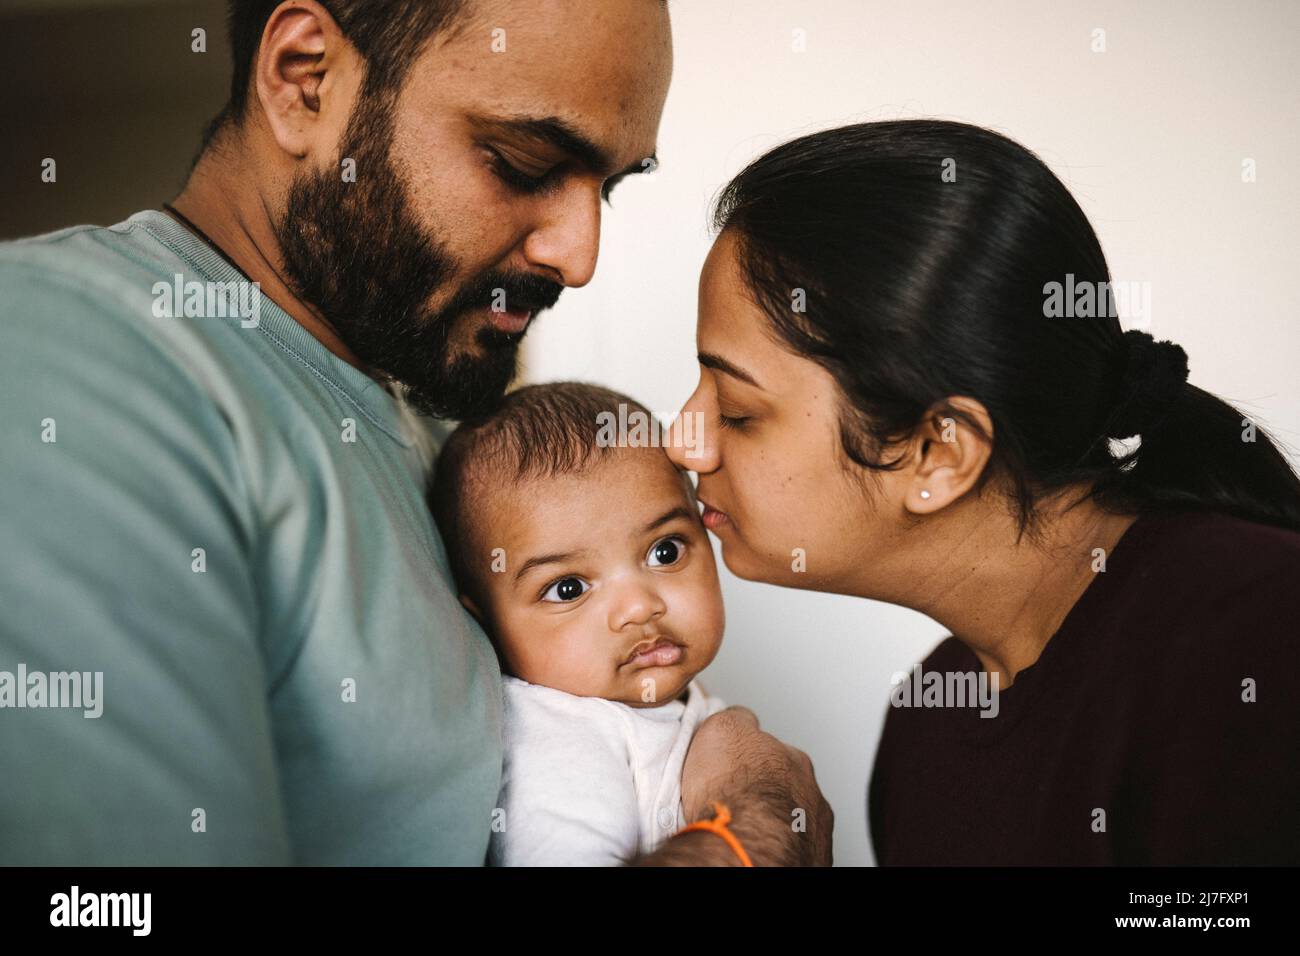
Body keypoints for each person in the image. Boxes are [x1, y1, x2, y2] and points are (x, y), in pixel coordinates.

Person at [0, 0, 831, 866]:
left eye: (608, 188)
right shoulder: (57, 354)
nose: (579, 256)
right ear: (304, 81)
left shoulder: (450, 442)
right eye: (523, 163)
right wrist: (748, 833)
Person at [665, 118, 1300, 865]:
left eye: (737, 411)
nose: (683, 440)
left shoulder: (1261, 639)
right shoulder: (927, 728)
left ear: (940, 452)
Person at [430, 382, 735, 865]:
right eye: (568, 588)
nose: (638, 606)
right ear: (486, 624)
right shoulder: (561, 745)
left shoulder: (667, 705)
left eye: (665, 551)